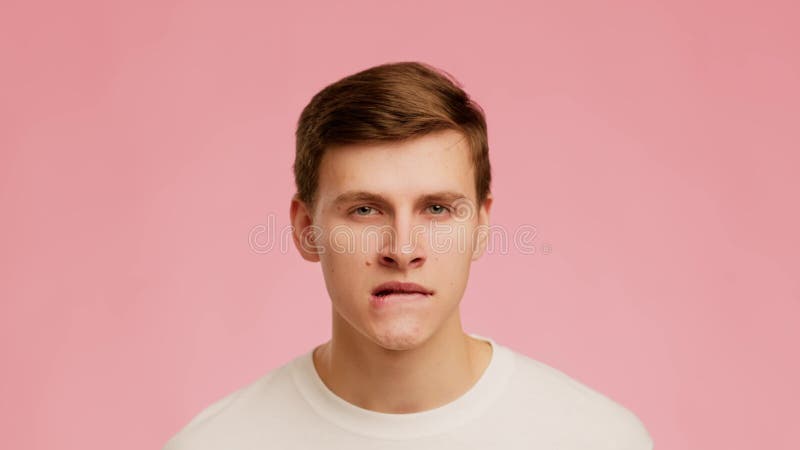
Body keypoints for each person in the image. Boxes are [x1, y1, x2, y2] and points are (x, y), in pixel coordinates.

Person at [162, 61, 654, 449]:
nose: (402, 249)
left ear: (481, 227)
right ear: (306, 229)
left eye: (437, 209)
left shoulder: (598, 440)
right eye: (364, 210)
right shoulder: (214, 444)